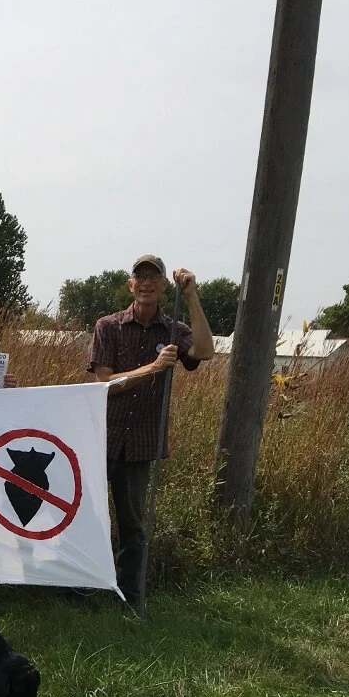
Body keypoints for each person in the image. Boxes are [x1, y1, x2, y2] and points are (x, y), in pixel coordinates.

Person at [87, 255, 214, 607]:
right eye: (139, 277)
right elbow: (104, 384)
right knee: (89, 522)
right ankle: (84, 591)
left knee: (133, 528)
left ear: (162, 286)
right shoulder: (108, 326)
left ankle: (131, 599)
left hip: (140, 445)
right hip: (100, 440)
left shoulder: (173, 330)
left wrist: (191, 296)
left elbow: (205, 351)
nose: (146, 283)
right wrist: (153, 368)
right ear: (130, 284)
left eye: (153, 278)